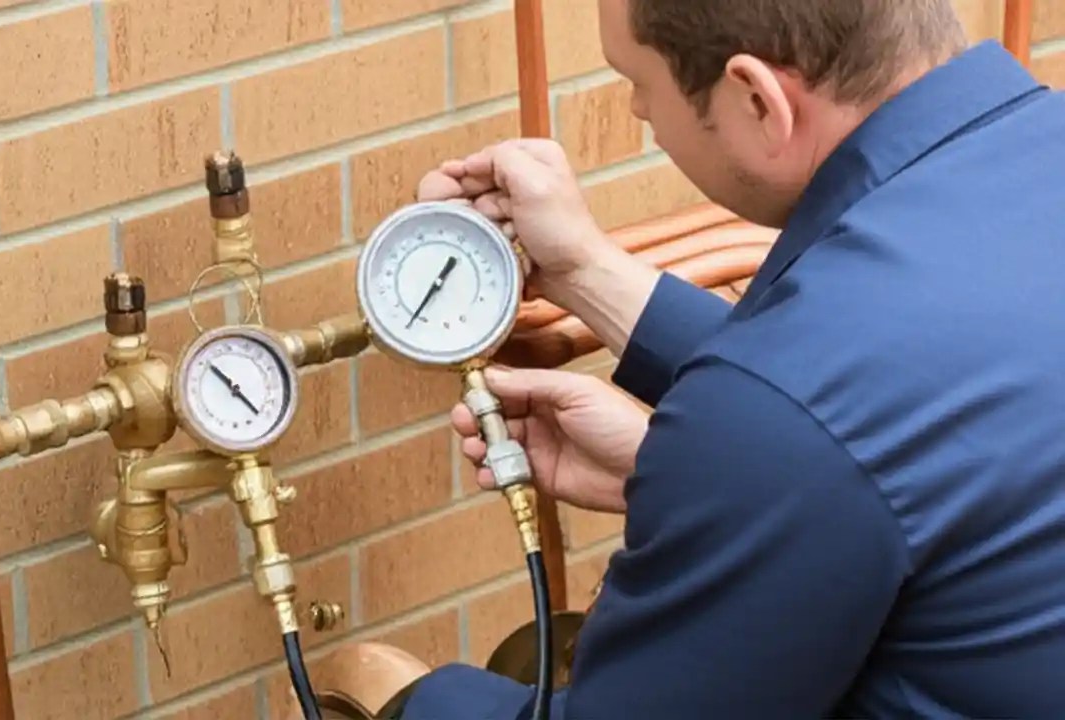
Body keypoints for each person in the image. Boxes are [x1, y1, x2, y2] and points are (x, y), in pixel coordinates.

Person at [395, 0, 1065, 717]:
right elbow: (889, 399)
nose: (635, 107)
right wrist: (581, 271)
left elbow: (816, 413)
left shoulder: (783, 417)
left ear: (757, 100)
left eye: (638, 81)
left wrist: (404, 695)